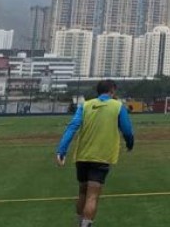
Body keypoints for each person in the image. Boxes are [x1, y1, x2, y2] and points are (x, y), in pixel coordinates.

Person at [54, 79, 135, 227]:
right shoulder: (118, 106)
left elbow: (72, 127)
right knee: (92, 195)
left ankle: (79, 223)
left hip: (82, 156)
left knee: (83, 193)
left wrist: (62, 150)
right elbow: (127, 131)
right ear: (111, 91)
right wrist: (130, 144)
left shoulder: (85, 105)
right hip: (102, 157)